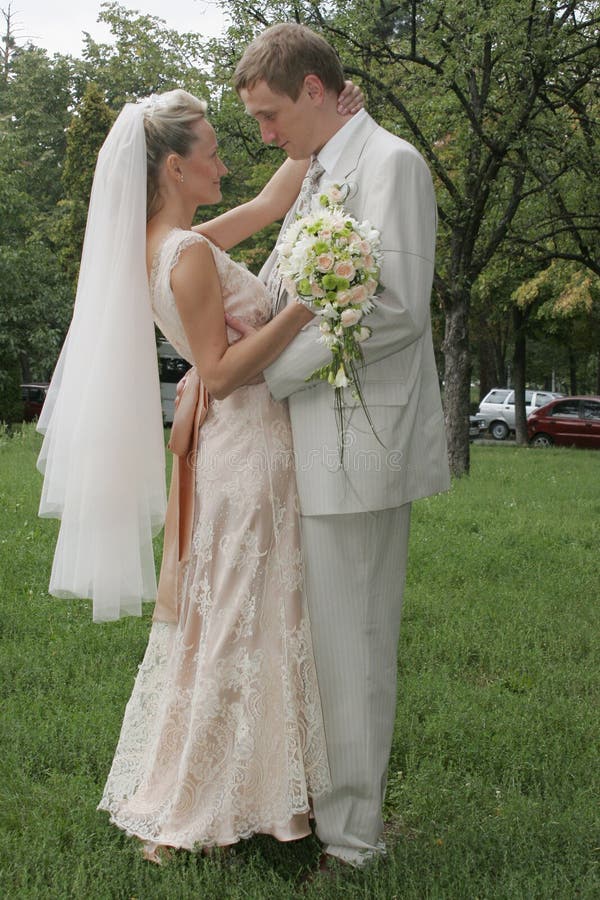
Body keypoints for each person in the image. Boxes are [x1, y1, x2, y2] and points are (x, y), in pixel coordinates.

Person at [36, 83, 364, 860]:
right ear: (176, 169)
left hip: (244, 447)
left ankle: (259, 792)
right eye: (212, 150)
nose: (225, 159)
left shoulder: (174, 240)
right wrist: (306, 307)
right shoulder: (183, 255)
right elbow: (217, 373)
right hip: (244, 447)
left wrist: (331, 133)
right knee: (237, 624)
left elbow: (271, 201)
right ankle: (203, 809)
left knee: (242, 619)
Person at [233, 23, 451, 869]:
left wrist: (270, 374)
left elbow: (396, 308)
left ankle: (353, 844)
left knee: (352, 643)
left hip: (359, 445)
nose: (265, 135)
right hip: (308, 443)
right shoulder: (321, 171)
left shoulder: (390, 164)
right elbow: (302, 292)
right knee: (320, 642)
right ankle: (315, 811)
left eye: (269, 115)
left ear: (315, 92)